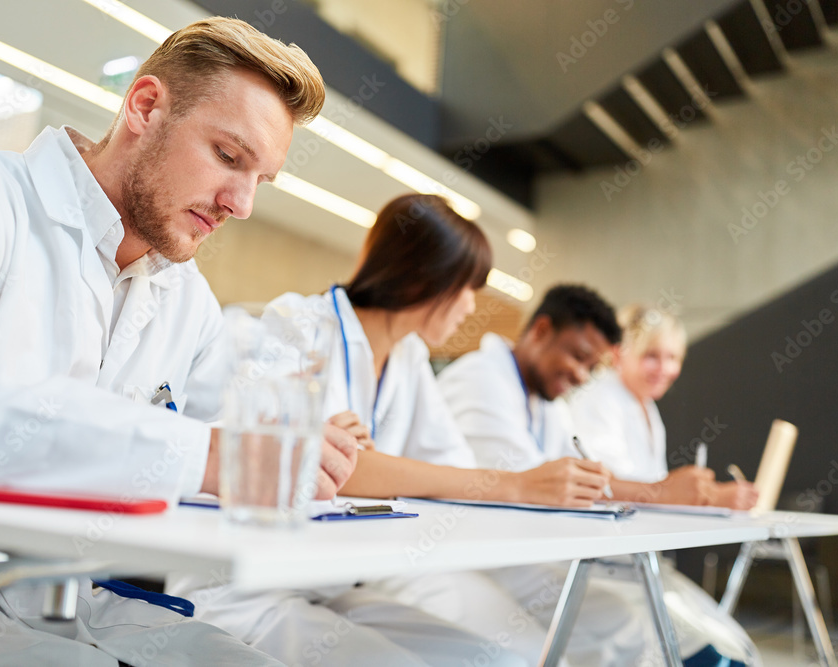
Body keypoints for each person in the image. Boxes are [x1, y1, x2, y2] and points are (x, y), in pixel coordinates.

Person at [0, 17, 357, 666]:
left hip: (83, 601)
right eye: (228, 156)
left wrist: (301, 444)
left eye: (261, 179)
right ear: (145, 107)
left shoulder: (184, 298)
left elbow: (223, 425)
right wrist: (218, 456)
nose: (242, 203)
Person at [169, 194, 611, 666]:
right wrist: (516, 484)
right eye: (466, 289)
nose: (469, 307)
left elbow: (453, 469)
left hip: (331, 584)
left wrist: (376, 465)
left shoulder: (409, 357)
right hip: (248, 590)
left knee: (502, 659)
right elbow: (329, 468)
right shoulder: (298, 323)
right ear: (424, 276)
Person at [438, 290, 760, 665]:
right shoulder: (481, 379)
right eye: (577, 356)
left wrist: (666, 491)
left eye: (591, 367)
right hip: (464, 556)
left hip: (520, 551)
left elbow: (579, 474)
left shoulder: (547, 401)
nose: (581, 376)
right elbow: (538, 485)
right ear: (541, 330)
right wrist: (659, 492)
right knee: (534, 650)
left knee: (655, 623)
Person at [569, 304, 759, 510]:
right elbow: (601, 489)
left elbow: (649, 485)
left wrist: (702, 493)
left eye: (672, 358)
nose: (664, 369)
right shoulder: (599, 397)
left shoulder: (645, 403)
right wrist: (705, 496)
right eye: (651, 356)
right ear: (617, 353)